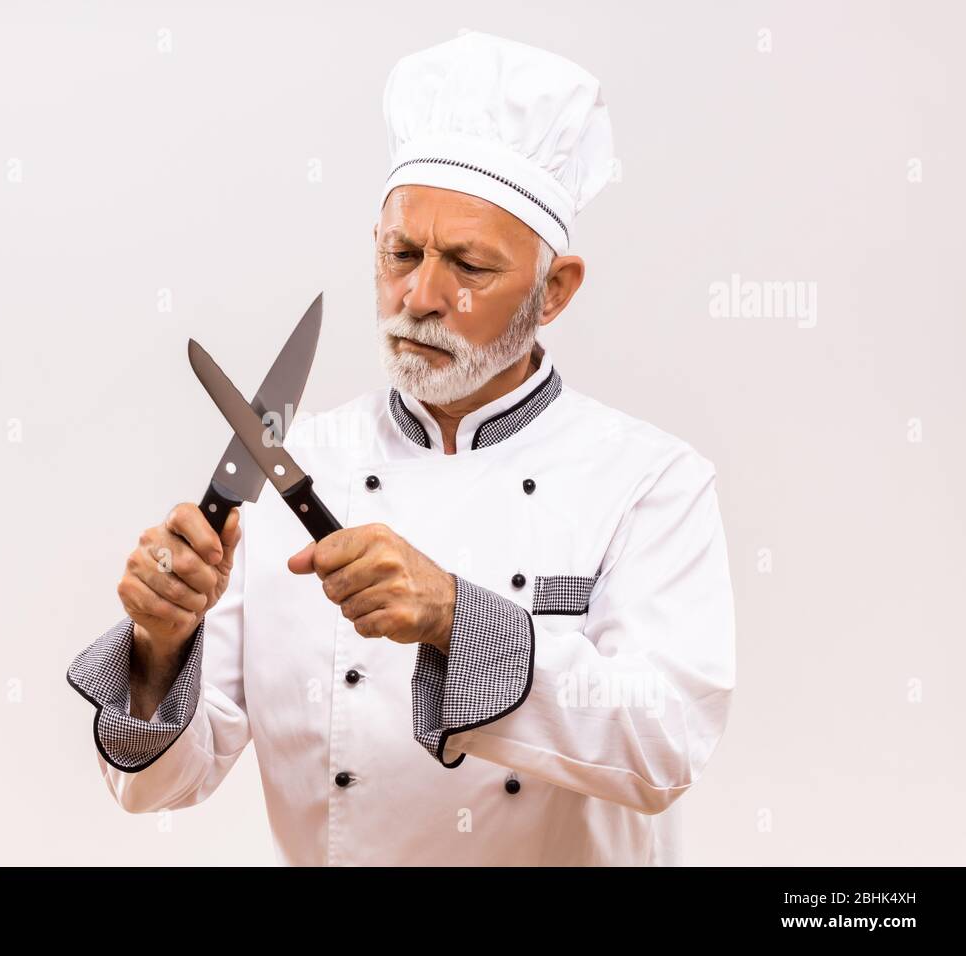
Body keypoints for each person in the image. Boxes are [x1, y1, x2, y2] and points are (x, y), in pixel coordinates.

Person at [67, 30, 735, 865]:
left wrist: (457, 616)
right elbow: (159, 786)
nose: (419, 296)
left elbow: (665, 747)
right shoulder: (296, 466)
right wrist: (161, 642)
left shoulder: (650, 482)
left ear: (554, 290)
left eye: (468, 265)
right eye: (402, 254)